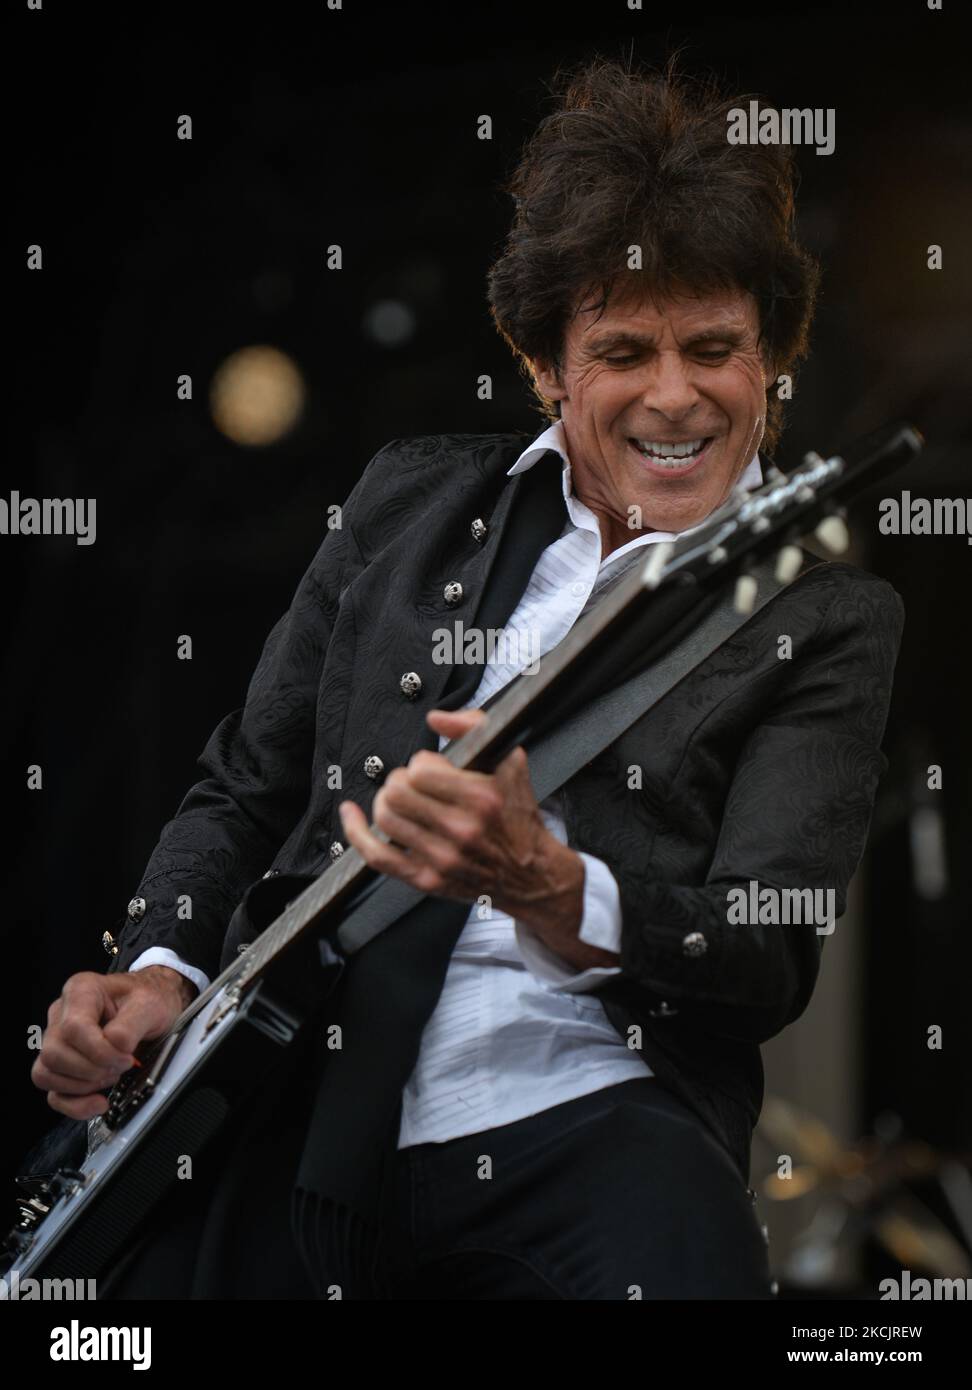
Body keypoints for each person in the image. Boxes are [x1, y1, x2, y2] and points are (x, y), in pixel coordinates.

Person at [29, 57, 903, 1300]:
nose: (677, 395)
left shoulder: (825, 612)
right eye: (625, 350)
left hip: (590, 1113)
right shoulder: (406, 501)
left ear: (772, 357)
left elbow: (766, 956)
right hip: (298, 1095)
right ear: (546, 363)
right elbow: (246, 783)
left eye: (717, 349)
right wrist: (153, 973)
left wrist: (553, 885)